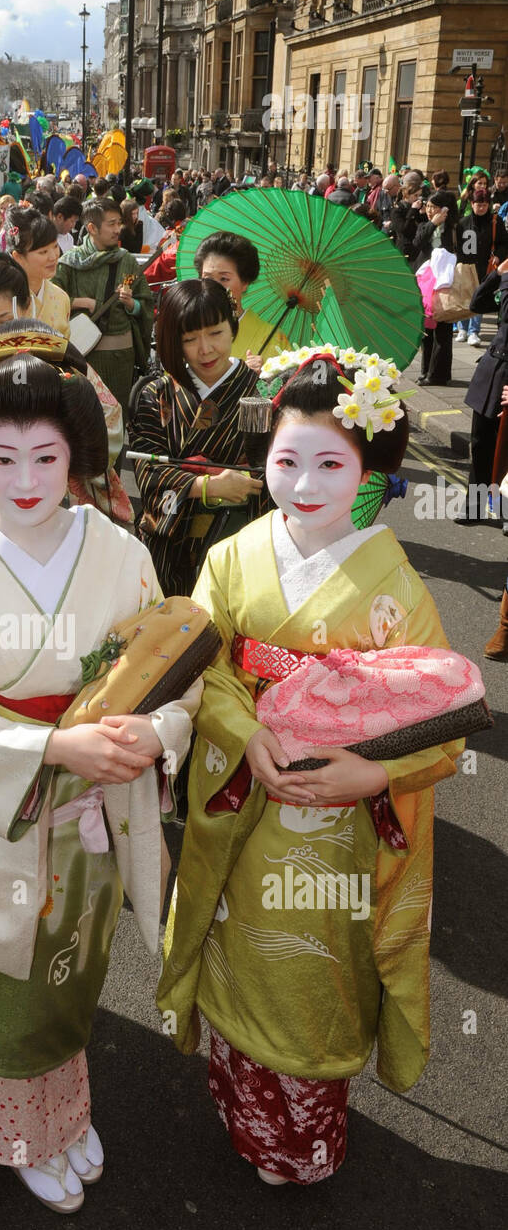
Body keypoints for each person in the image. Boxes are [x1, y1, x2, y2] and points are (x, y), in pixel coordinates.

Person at [0, 324, 203, 1212]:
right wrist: (51, 745)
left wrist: (159, 736)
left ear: (78, 458)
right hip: (0, 809)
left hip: (97, 797)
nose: (25, 484)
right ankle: (19, 1132)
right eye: (2, 459)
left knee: (73, 965)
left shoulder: (119, 551)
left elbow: (176, 675)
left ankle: (64, 1113)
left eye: (47, 457)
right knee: (6, 978)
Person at [157, 349, 463, 1187]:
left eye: (331, 462)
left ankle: (303, 1140)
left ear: (368, 469)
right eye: (286, 459)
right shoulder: (234, 554)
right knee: (237, 939)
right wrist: (241, 729)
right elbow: (204, 662)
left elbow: (446, 708)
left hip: (337, 818)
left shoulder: (396, 584)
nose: (304, 482)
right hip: (246, 787)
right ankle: (241, 1105)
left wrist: (373, 776)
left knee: (313, 964)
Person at [130, 278, 263, 597]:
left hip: (234, 539)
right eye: (190, 339)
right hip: (168, 543)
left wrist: (248, 483)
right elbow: (147, 472)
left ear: (232, 328)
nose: (206, 349)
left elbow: (268, 471)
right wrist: (210, 486)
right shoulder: (156, 394)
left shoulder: (257, 394)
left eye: (216, 333)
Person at [0, 252, 125, 476]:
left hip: (55, 482)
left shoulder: (58, 356)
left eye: (5, 320)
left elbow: (110, 415)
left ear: (27, 308)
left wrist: (60, 459)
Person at [53, 197, 154, 413]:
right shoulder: (69, 262)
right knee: (83, 417)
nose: (118, 229)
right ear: (92, 228)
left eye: (119, 223)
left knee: (116, 417)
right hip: (82, 356)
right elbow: (51, 303)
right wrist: (83, 302)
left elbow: (145, 304)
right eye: (111, 224)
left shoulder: (126, 260)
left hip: (120, 357)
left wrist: (131, 304)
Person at [193, 230, 292, 371]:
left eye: (224, 279)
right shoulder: (188, 331)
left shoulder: (271, 337)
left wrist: (264, 375)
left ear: (244, 282)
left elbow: (286, 387)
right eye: (207, 278)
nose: (213, 287)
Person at [460, 255, 508, 531]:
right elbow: (476, 304)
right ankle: (475, 507)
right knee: (480, 442)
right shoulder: (504, 283)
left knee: (505, 448)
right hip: (492, 370)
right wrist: (494, 276)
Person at [412, 189, 458, 387]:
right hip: (425, 282)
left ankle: (439, 374)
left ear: (445, 209)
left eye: (434, 207)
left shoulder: (455, 228)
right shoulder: (425, 225)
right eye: (428, 206)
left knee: (443, 330)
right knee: (427, 329)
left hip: (445, 282)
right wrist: (432, 223)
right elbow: (417, 243)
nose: (429, 210)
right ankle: (426, 370)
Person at [454, 186, 508, 346]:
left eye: (485, 205)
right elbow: (457, 245)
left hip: (485, 266)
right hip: (465, 266)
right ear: (472, 204)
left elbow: (504, 243)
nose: (482, 208)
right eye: (479, 204)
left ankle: (474, 331)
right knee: (465, 297)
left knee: (480, 295)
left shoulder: (495, 221)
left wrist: (499, 254)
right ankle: (462, 328)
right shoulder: (463, 222)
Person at [5, 207, 69, 337]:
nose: (53, 256)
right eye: (43, 252)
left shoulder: (61, 297)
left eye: (55, 246)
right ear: (18, 257)